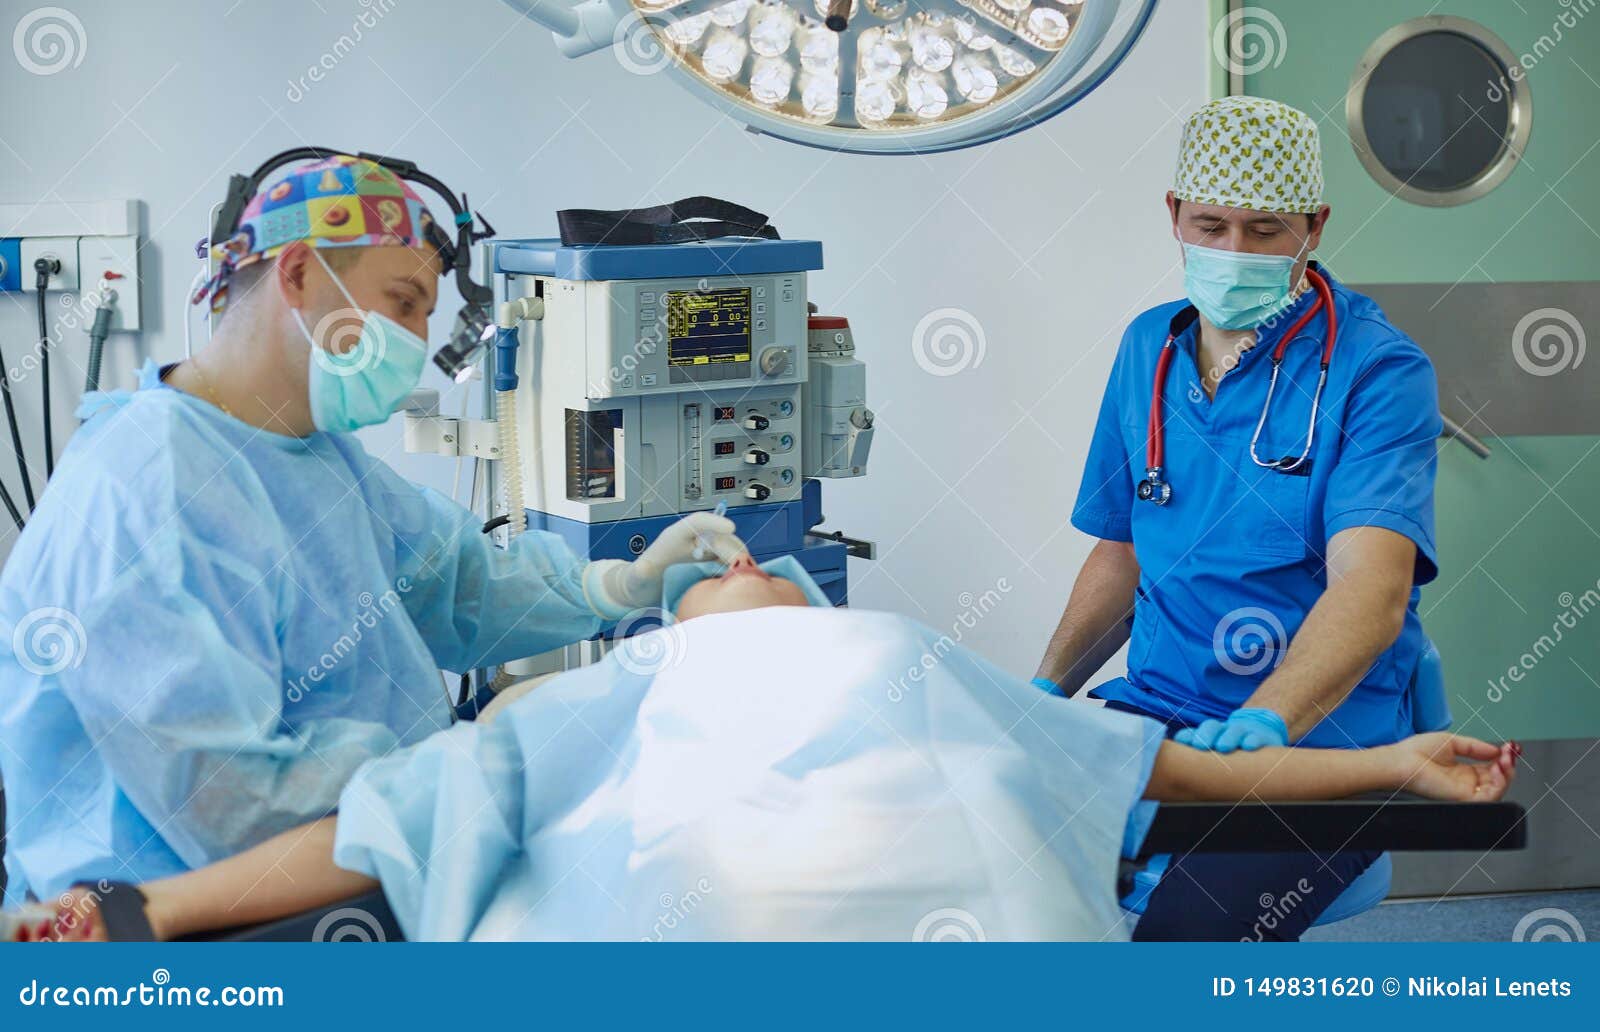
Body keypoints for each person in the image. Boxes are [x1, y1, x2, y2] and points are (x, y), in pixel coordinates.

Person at [7, 565, 1516, 942]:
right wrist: (134, 913)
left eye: (766, 571)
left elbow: (1179, 770)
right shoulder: (621, 688)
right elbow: (375, 829)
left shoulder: (913, 657)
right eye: (717, 573)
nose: (746, 574)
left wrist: (1395, 765)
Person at [0, 154, 743, 906]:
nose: (419, 339)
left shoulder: (312, 456)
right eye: (405, 301)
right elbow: (229, 806)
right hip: (188, 929)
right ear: (297, 274)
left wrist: (618, 582)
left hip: (361, 865)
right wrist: (459, 765)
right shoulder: (141, 490)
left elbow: (459, 585)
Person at [1031, 96, 1446, 940]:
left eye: (1266, 231)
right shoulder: (1148, 348)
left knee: (1186, 940)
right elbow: (1123, 549)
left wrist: (1266, 724)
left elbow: (1371, 589)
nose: (1234, 252)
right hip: (1155, 710)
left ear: (1314, 226)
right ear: (1175, 216)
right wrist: (1044, 694)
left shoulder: (1379, 370)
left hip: (1321, 743)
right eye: (1212, 226)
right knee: (990, 860)